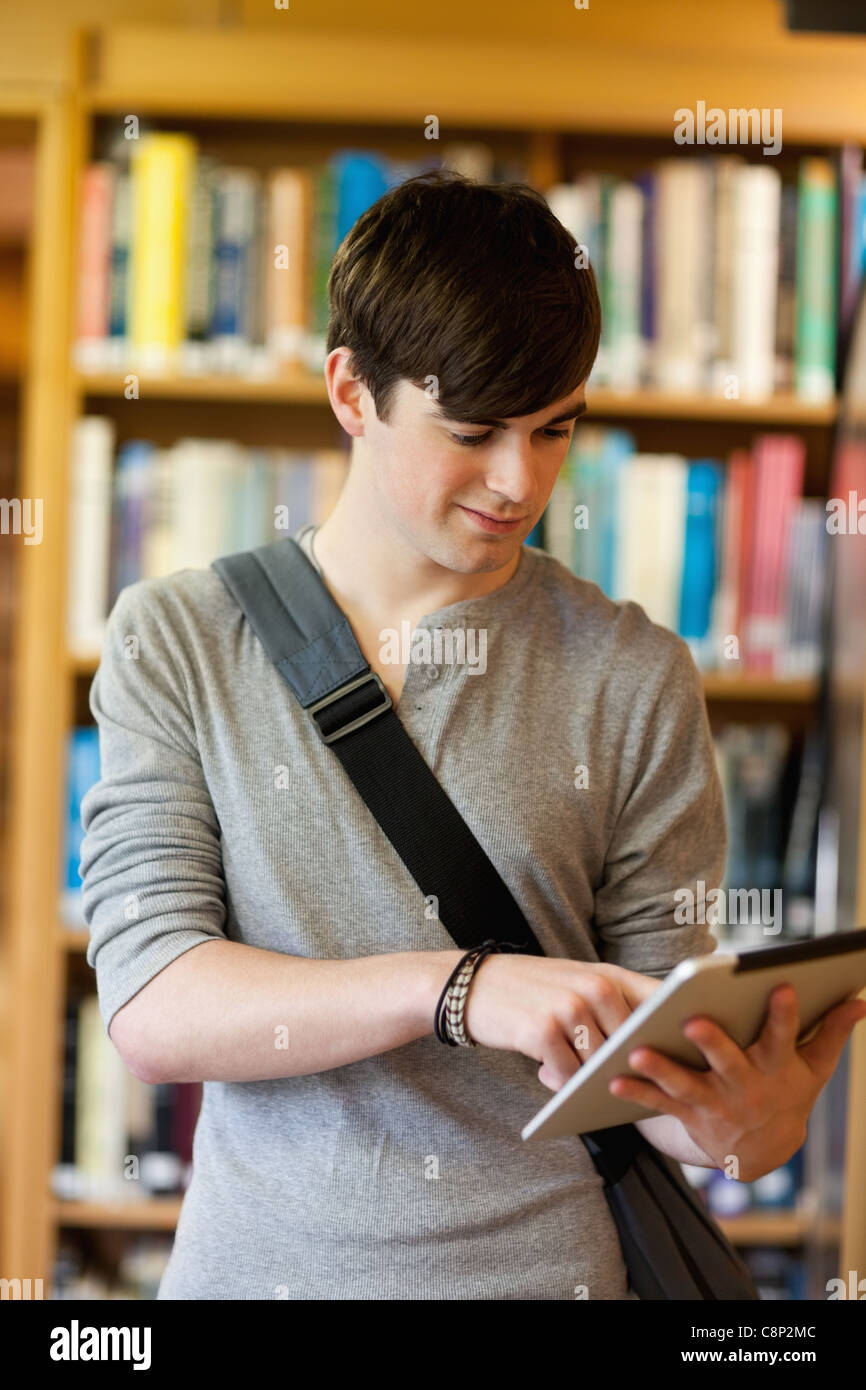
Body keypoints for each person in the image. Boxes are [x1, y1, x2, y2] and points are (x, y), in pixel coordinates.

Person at [80, 169, 866, 1300]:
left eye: (554, 430)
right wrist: (458, 987)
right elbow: (155, 1002)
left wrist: (747, 1123)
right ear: (351, 391)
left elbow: (664, 1086)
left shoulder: (631, 673)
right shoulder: (182, 639)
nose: (520, 481)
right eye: (473, 432)